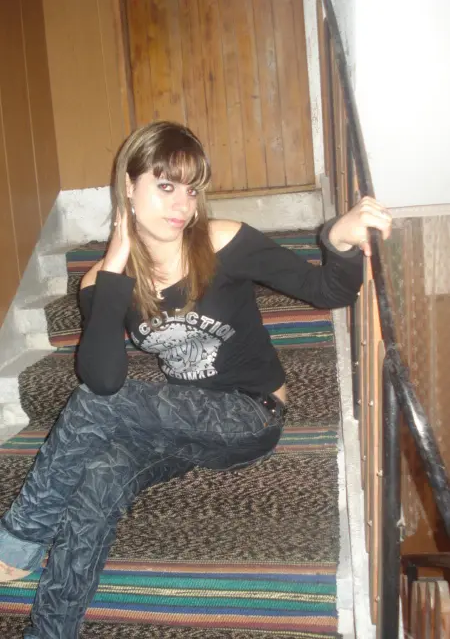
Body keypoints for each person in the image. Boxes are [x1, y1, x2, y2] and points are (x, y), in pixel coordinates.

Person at [0, 121, 392, 638]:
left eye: (191, 189)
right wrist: (115, 262)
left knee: (97, 406)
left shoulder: (223, 242)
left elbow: (327, 290)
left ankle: (21, 535)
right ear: (129, 187)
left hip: (249, 414)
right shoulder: (101, 282)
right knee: (97, 478)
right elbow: (103, 375)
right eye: (165, 186)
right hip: (179, 429)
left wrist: (337, 240)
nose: (182, 204)